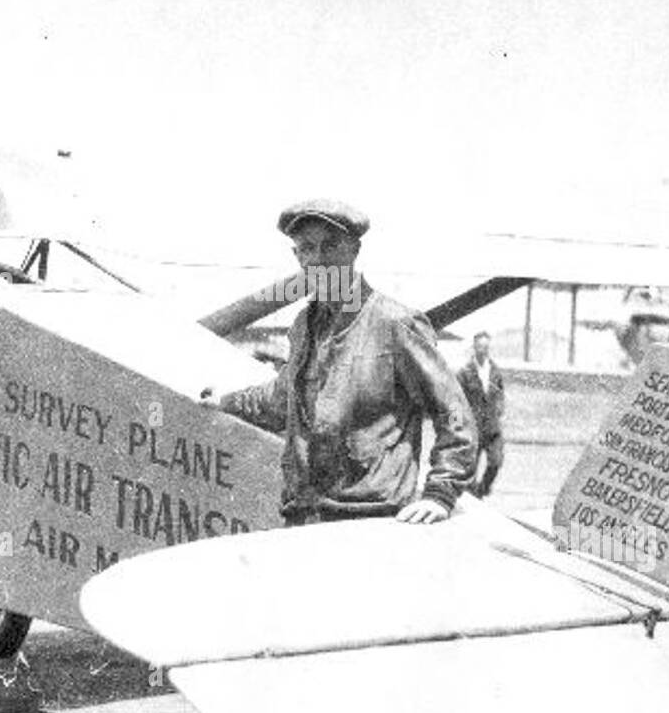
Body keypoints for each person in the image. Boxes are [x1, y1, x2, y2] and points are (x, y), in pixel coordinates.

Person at [210, 198, 477, 525]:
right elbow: (282, 400)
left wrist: (441, 493)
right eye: (308, 248)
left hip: (371, 518)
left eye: (331, 246)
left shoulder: (395, 323)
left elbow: (453, 411)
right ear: (298, 257)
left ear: (354, 250)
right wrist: (225, 401)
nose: (319, 260)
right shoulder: (304, 326)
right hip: (305, 513)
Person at [457, 332, 505, 498]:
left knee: (496, 461)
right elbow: (457, 400)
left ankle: (482, 490)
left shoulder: (495, 371)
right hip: (473, 427)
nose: (483, 350)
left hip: (492, 427)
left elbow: (500, 394)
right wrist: (458, 424)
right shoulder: (464, 372)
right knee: (471, 468)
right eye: (480, 347)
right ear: (474, 348)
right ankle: (471, 497)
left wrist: (499, 410)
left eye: (486, 347)